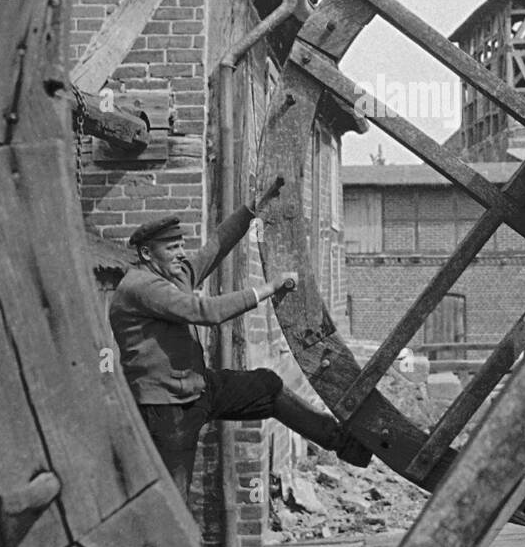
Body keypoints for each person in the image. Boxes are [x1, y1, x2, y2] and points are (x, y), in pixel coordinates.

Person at [109, 191, 371, 502]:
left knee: (267, 386)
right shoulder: (141, 286)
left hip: (196, 388)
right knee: (173, 497)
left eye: (181, 245)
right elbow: (205, 312)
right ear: (147, 254)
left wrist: (251, 210)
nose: (181, 254)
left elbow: (214, 248)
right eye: (172, 248)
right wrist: (267, 289)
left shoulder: (170, 275)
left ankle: (345, 444)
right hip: (166, 408)